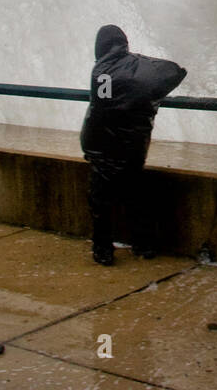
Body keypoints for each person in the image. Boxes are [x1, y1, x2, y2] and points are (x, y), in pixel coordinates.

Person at [79, 24, 186, 266]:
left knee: (100, 204)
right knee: (137, 199)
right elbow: (175, 72)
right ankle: (143, 245)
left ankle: (103, 250)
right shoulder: (140, 68)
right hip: (133, 149)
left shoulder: (101, 72)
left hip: (103, 150)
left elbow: (105, 100)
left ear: (101, 46)